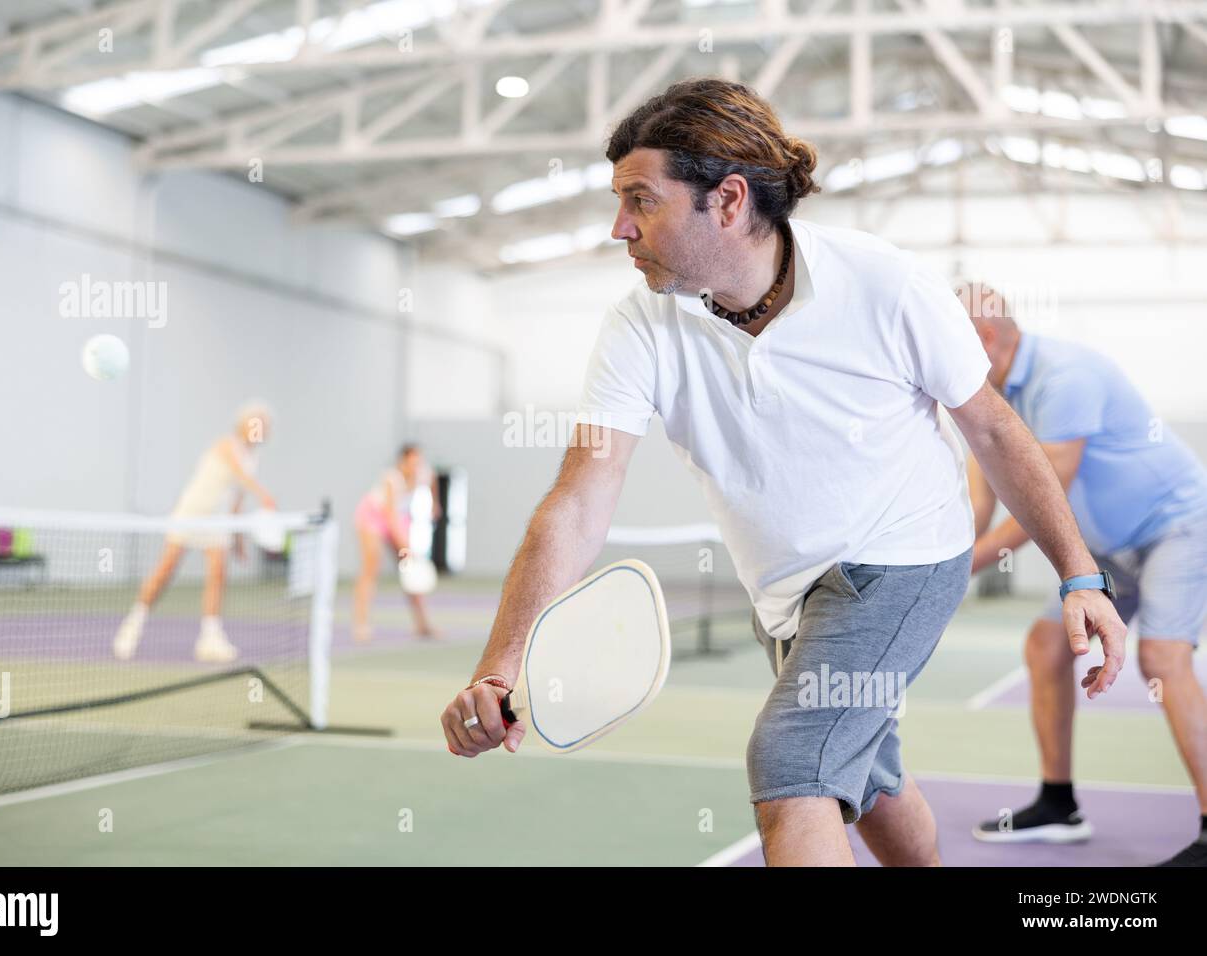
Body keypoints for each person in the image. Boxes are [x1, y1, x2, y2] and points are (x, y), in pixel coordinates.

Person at [438, 77, 1127, 867]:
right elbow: (577, 501)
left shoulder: (886, 283)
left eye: (641, 199)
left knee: (791, 764)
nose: (618, 227)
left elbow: (996, 432)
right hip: (787, 593)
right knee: (870, 781)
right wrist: (499, 666)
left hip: (902, 560)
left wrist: (1080, 577)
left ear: (727, 201)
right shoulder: (641, 325)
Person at [959, 283, 1207, 868]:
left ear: (986, 336)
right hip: (1110, 550)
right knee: (1046, 648)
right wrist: (955, 553)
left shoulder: (1065, 376)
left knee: (1162, 661)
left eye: (953, 340)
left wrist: (959, 569)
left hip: (1174, 528)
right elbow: (983, 499)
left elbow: (1045, 497)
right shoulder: (990, 394)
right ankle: (1057, 804)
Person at [113, 402, 277, 663]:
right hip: (191, 513)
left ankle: (209, 638)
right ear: (243, 424)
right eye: (255, 422)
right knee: (165, 572)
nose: (260, 427)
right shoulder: (226, 445)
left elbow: (237, 498)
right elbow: (238, 475)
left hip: (217, 522)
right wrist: (265, 496)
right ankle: (132, 626)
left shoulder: (253, 459)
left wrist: (239, 541)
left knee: (218, 574)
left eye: (264, 424)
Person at [351, 443, 440, 642]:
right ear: (402, 462)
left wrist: (436, 503)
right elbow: (390, 517)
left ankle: (422, 625)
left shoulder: (424, 473)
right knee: (370, 568)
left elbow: (432, 481)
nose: (415, 466)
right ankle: (361, 625)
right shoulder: (391, 479)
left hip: (399, 519)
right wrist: (405, 547)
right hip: (373, 518)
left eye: (419, 462)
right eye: (412, 462)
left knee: (410, 570)